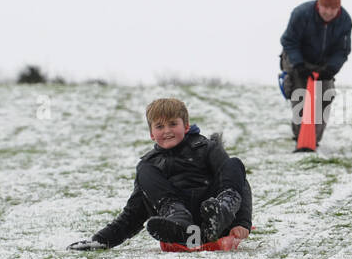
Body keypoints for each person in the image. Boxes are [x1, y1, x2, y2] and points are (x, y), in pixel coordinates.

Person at [68, 97, 252, 250]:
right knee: (144, 169)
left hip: (216, 217)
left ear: (186, 126)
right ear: (151, 134)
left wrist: (242, 223)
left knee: (234, 164)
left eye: (173, 124)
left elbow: (239, 184)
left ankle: (222, 211)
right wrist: (100, 240)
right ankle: (178, 218)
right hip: (184, 231)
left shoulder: (207, 149)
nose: (167, 131)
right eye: (160, 126)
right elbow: (133, 213)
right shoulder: (151, 165)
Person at [279, 0, 352, 147]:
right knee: (300, 94)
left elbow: (343, 50)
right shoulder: (301, 14)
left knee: (326, 95)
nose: (328, 12)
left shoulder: (345, 21)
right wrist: (298, 65)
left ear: (338, 9)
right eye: (325, 7)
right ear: (318, 5)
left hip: (323, 64)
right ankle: (301, 138)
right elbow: (288, 41)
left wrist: (331, 68)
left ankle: (314, 141)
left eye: (333, 9)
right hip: (297, 59)